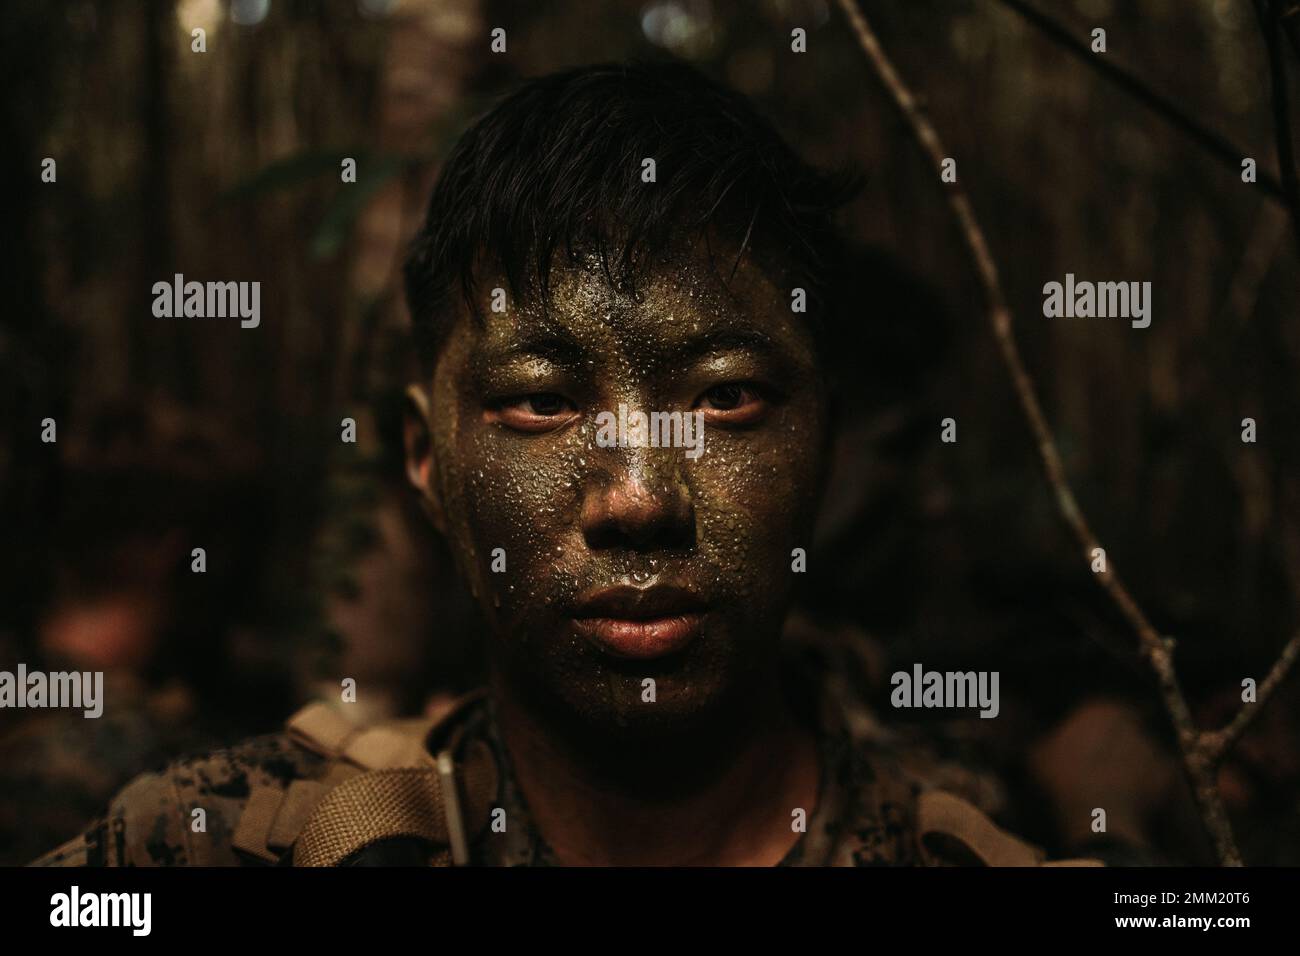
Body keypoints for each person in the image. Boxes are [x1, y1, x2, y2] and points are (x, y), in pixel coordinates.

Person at [32, 60, 1090, 868]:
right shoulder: (213, 843)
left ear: (823, 443)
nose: (636, 496)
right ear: (426, 460)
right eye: (541, 401)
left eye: (724, 398)